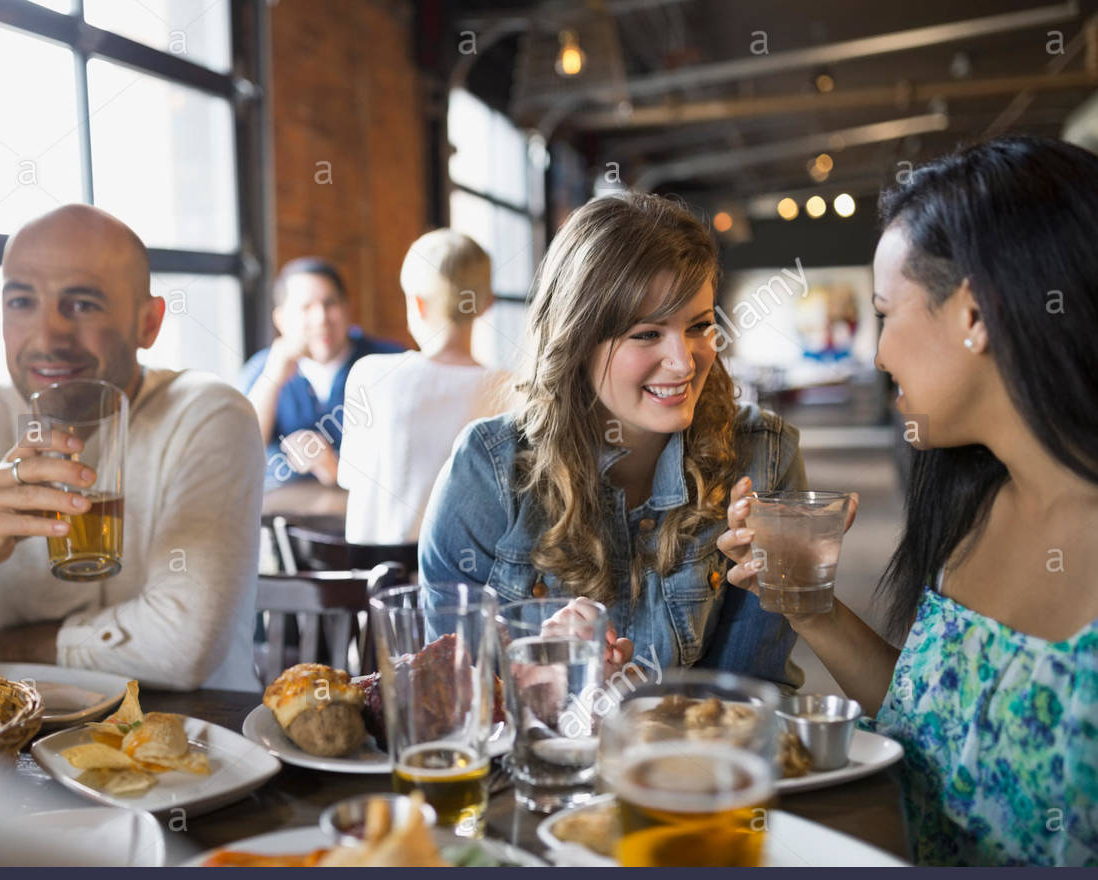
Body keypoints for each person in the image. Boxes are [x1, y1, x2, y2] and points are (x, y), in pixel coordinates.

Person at [720, 136, 1098, 866]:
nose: (878, 352)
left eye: (888, 313)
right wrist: (812, 606)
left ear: (977, 314)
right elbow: (944, 724)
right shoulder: (973, 504)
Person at [0, 205, 264, 691]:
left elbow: (183, 647)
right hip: (22, 745)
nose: (48, 335)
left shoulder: (209, 413)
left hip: (207, 743)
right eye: (21, 302)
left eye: (82, 304)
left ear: (149, 323)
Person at [421, 192, 806, 688]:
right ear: (577, 340)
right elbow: (453, 702)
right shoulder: (487, 473)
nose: (685, 361)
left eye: (699, 326)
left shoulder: (765, 457)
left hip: (696, 764)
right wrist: (546, 688)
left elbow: (751, 696)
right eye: (647, 334)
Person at [338, 229, 513, 545]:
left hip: (372, 581)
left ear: (416, 304)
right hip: (465, 588)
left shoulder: (370, 373)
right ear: (487, 304)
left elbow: (350, 479)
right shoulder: (510, 389)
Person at [239, 258, 401, 488]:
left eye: (330, 304)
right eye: (306, 308)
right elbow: (237, 454)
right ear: (281, 319)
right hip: (279, 517)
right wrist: (272, 380)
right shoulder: (261, 369)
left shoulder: (389, 363)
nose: (321, 318)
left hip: (361, 516)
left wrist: (335, 470)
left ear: (348, 309)